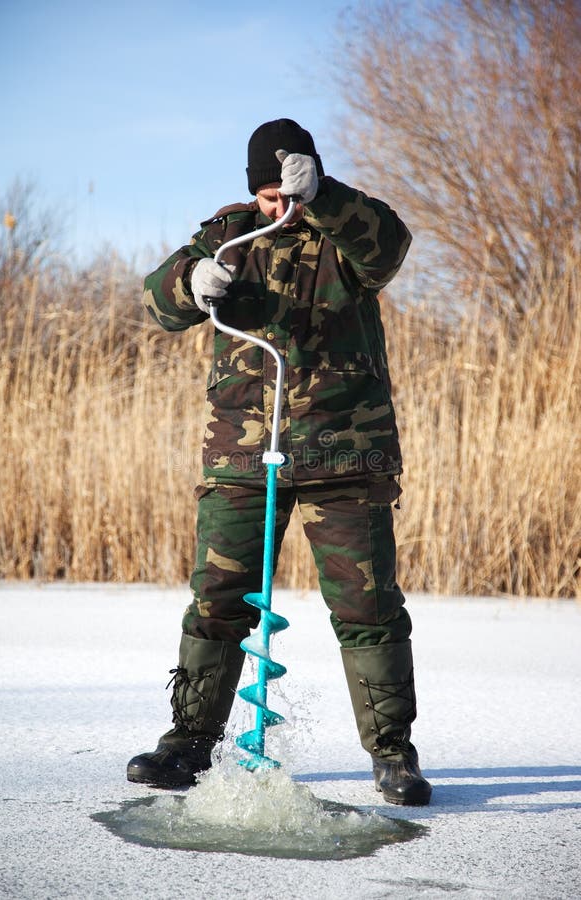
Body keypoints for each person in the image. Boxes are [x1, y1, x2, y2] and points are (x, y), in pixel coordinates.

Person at [128, 118, 432, 806]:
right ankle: (186, 746)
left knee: (368, 608)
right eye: (269, 195)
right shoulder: (228, 234)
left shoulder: (347, 231)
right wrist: (189, 280)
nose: (279, 207)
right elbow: (159, 301)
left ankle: (393, 755)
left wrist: (324, 197)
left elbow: (389, 249)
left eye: (288, 192)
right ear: (252, 192)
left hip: (344, 455)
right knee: (217, 604)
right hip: (241, 458)